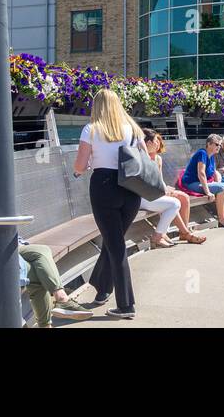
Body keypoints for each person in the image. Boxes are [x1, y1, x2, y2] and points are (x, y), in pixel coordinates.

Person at [73, 88, 148, 320]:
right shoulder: (134, 129)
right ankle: (102, 287)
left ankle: (126, 305)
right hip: (131, 189)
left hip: (104, 187)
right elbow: (147, 159)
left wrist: (84, 168)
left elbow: (79, 165)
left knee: (116, 247)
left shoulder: (91, 129)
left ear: (97, 106)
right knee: (113, 240)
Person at [142, 128, 206, 244]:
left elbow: (159, 179)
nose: (158, 144)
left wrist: (165, 188)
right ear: (147, 143)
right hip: (149, 193)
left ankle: (183, 233)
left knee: (184, 197)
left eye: (158, 141)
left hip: (158, 189)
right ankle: (186, 233)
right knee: (173, 201)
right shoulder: (142, 158)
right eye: (156, 141)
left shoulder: (158, 158)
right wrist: (163, 190)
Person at [18, 238, 93, 327]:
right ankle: (62, 300)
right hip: (1, 250)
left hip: (11, 248)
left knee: (38, 271)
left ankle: (47, 323)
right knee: (41, 252)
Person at [183, 134, 224, 229]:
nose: (219, 147)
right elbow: (201, 173)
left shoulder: (212, 156)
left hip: (200, 183)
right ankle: (221, 219)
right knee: (221, 187)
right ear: (209, 144)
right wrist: (208, 192)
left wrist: (218, 182)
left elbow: (214, 173)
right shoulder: (202, 153)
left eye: (220, 145)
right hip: (191, 183)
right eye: (217, 144)